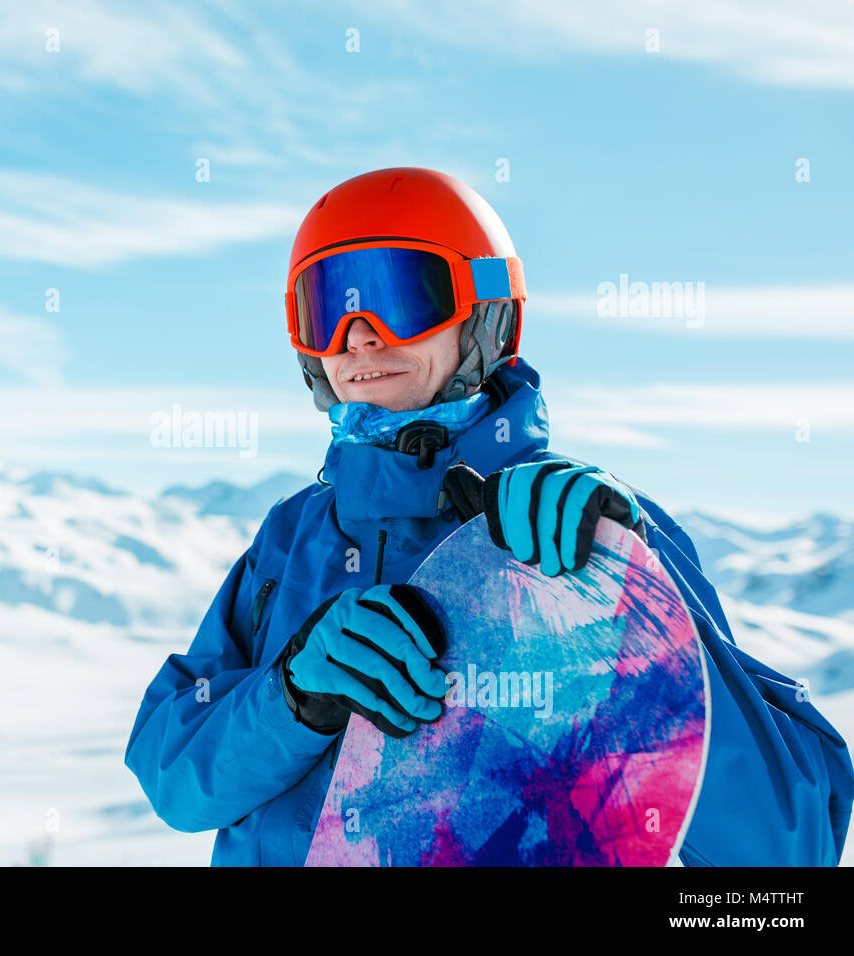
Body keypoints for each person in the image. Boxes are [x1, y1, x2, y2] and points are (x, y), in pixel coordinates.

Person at [124, 167, 854, 866]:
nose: (359, 334)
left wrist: (637, 618)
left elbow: (790, 846)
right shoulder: (291, 541)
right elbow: (175, 781)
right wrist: (290, 698)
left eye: (397, 294)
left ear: (485, 316)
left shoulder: (585, 533)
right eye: (329, 305)